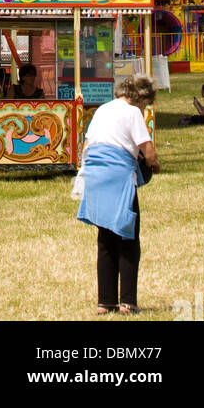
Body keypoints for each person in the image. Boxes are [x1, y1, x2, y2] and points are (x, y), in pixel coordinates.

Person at [76, 74, 159, 315]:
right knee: (128, 239)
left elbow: (86, 146)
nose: (145, 109)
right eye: (146, 104)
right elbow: (148, 152)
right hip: (119, 177)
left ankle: (105, 303)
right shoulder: (133, 112)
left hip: (95, 175)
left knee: (106, 239)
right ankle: (127, 303)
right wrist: (155, 166)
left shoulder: (102, 109)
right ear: (141, 98)